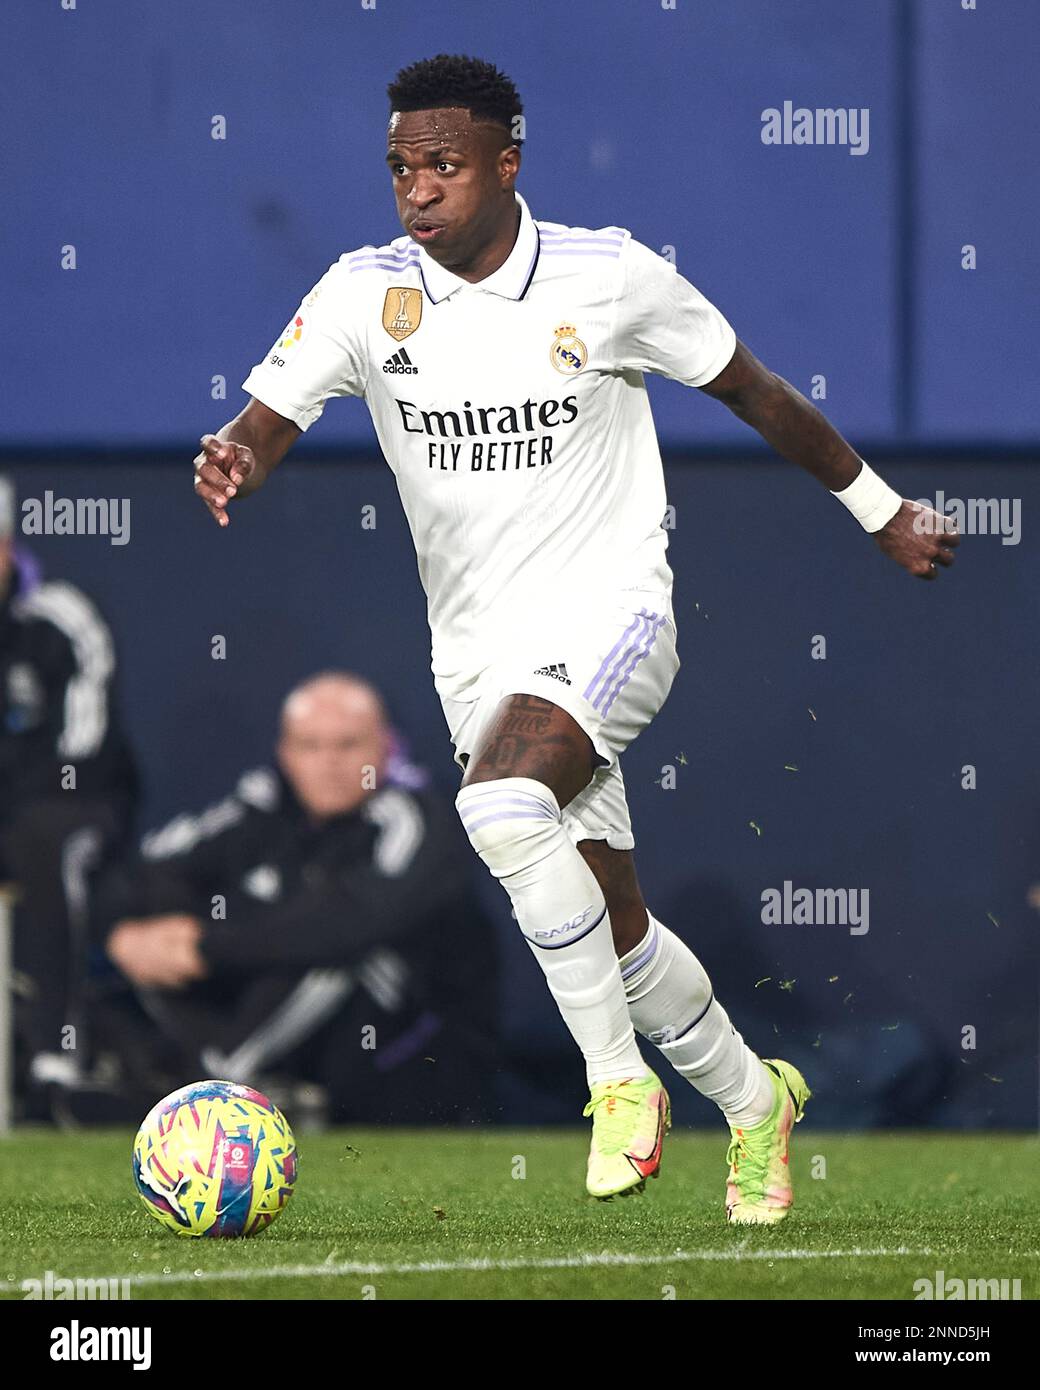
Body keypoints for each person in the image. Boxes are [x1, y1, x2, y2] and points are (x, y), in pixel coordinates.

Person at [190, 55, 959, 1221]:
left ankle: (617, 1089)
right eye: (400, 168)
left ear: (508, 162)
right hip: (476, 655)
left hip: (612, 614)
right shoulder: (365, 293)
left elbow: (755, 391)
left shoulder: (608, 277)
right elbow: (270, 413)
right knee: (617, 932)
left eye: (443, 166)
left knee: (499, 808)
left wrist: (882, 510)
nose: (417, 192)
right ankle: (758, 1107)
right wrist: (239, 453)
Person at [90, 672, 498, 1125]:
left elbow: (349, 922)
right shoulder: (264, 807)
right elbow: (152, 872)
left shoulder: (417, 817)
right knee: (162, 932)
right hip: (280, 1039)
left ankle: (216, 1088)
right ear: (285, 753)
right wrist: (135, 937)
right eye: (310, 746)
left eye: (347, 745)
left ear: (385, 747)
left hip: (410, 1063)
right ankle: (188, 1076)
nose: (329, 762)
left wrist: (207, 946)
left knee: (339, 953)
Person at [0, 475, 139, 1114]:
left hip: (79, 804)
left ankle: (60, 1053)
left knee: (42, 837)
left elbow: (82, 752)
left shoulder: (60, 618)